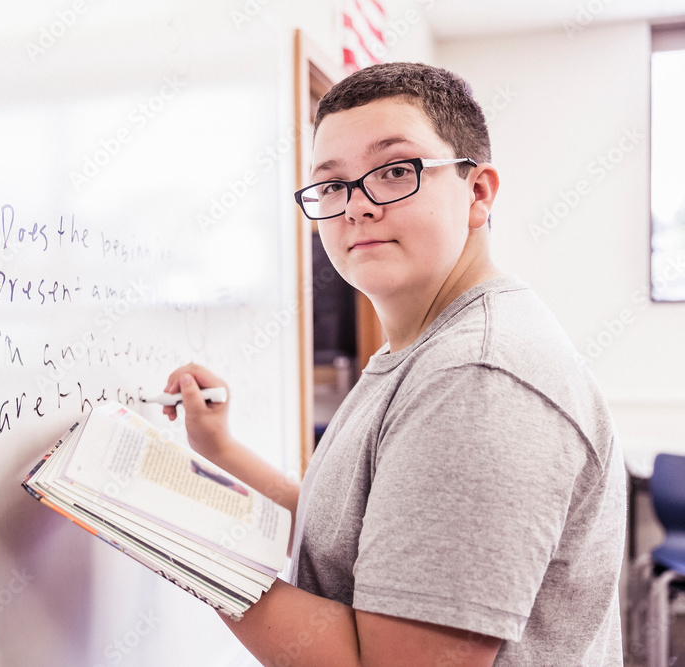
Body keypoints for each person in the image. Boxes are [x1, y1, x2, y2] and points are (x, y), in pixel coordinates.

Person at [161, 62, 626, 666]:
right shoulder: (422, 347)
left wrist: (176, 537)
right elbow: (371, 538)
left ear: (477, 194)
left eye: (394, 172)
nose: (356, 207)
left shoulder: (475, 380)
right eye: (332, 185)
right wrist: (220, 451)